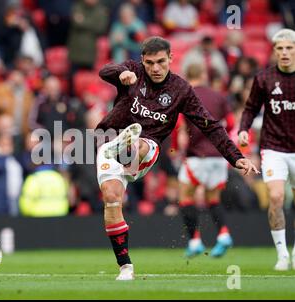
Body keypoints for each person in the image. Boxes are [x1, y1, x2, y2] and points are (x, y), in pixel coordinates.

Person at [95, 36, 259, 281]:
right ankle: (125, 267)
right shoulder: (134, 71)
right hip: (108, 142)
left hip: (146, 148)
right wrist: (120, 74)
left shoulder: (181, 90)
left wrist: (236, 158)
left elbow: (210, 126)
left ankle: (128, 143)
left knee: (139, 144)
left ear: (171, 59)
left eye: (161, 62)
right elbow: (104, 71)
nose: (155, 68)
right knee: (111, 199)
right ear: (143, 61)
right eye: (150, 63)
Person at [238, 29, 295, 271]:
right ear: (274, 51)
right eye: (280, 48)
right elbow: (250, 108)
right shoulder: (264, 79)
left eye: (289, 48)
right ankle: (282, 254)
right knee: (275, 196)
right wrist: (243, 129)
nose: (284, 52)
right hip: (273, 147)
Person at [177, 63, 235, 258]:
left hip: (197, 156)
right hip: (218, 156)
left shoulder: (186, 96)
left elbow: (179, 127)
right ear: (203, 74)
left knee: (185, 196)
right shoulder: (218, 96)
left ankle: (194, 241)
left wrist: (179, 146)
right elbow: (232, 123)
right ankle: (223, 235)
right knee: (213, 199)